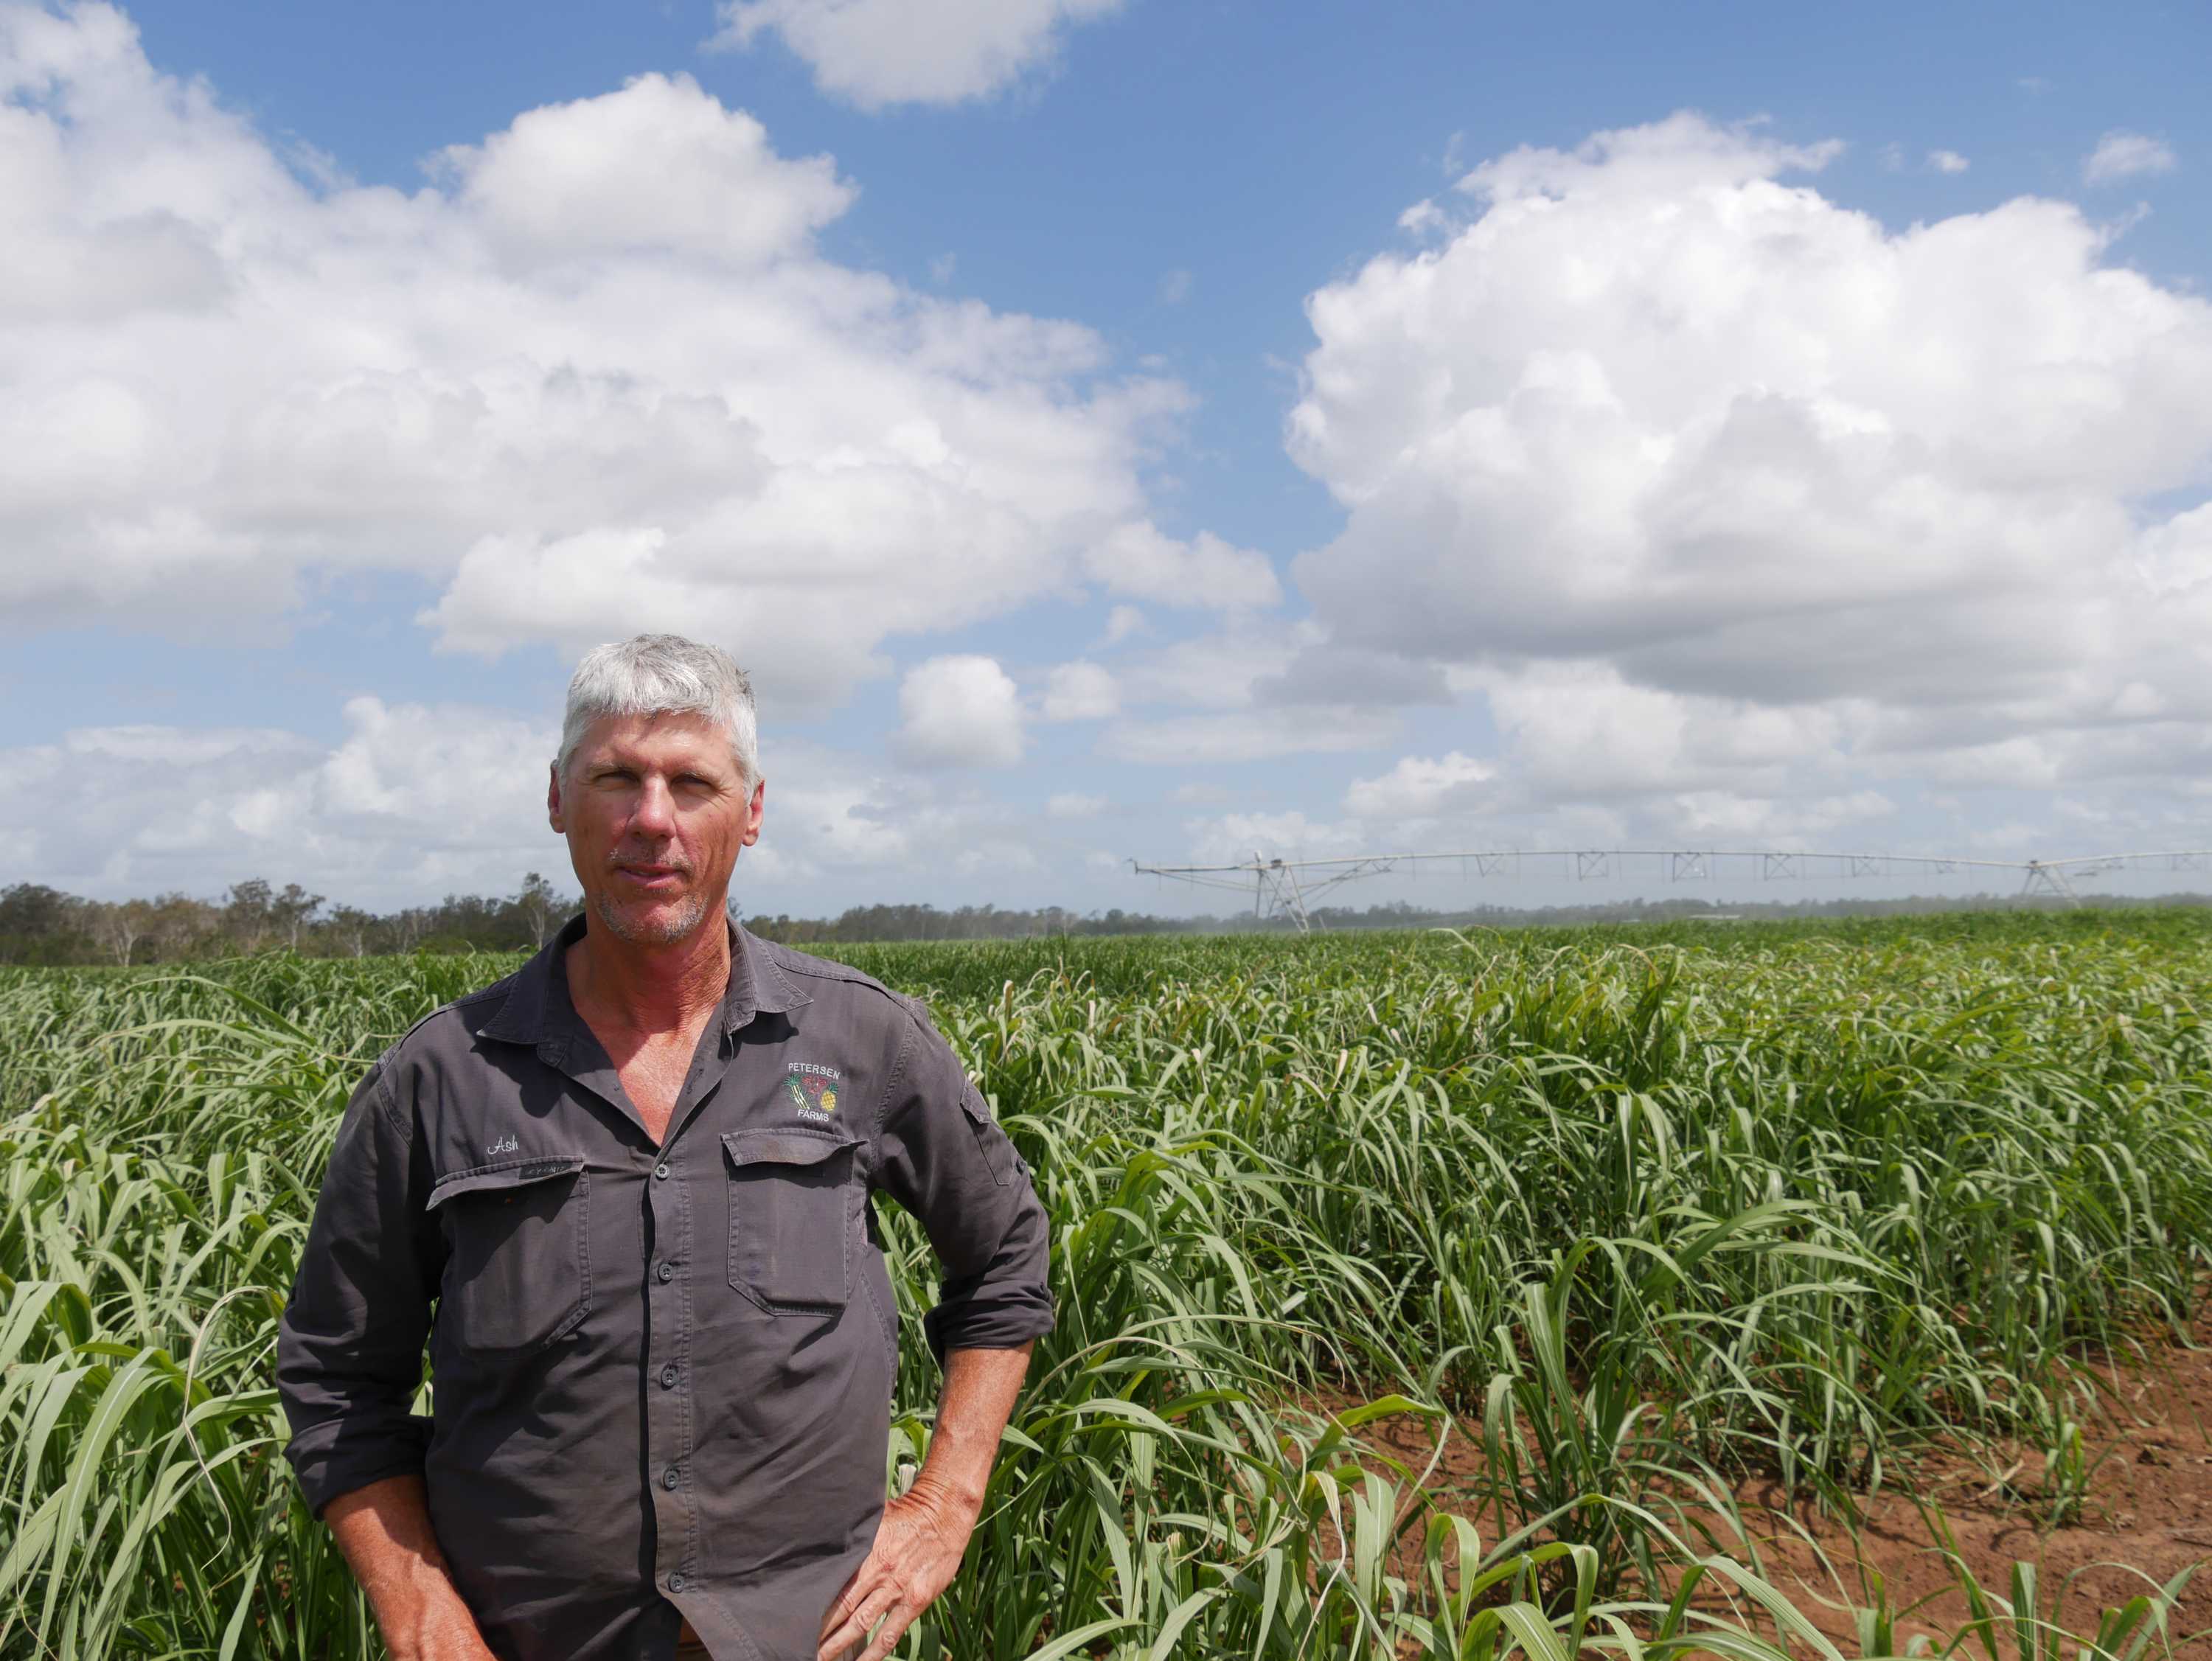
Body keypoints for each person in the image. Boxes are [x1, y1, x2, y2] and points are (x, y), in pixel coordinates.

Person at [276, 635, 1054, 1661]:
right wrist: (417, 1603)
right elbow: (337, 1377)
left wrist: (946, 1502)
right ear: (558, 798)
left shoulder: (863, 1040)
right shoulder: (440, 1077)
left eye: (692, 781)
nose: (653, 819)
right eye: (615, 778)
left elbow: (1006, 1253)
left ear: (753, 810)